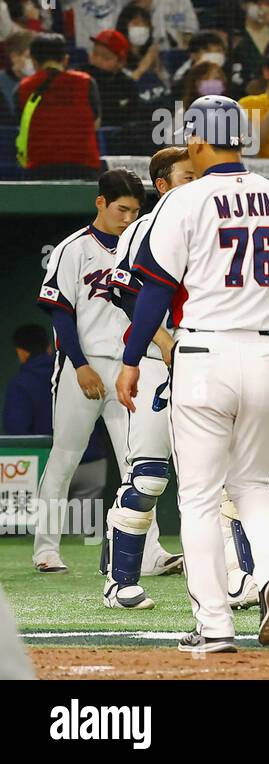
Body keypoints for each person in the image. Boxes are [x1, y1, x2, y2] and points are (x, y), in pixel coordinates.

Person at [115, 95, 269, 653]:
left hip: (204, 355)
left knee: (201, 498)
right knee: (254, 484)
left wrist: (133, 359)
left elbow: (155, 292)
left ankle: (214, 625)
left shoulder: (183, 202)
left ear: (200, 142)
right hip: (266, 356)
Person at [31, 169, 146, 573]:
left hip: (128, 367)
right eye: (121, 208)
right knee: (64, 457)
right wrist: (79, 366)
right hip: (84, 365)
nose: (128, 217)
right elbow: (61, 314)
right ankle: (46, 549)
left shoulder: (139, 248)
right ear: (100, 202)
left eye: (134, 210)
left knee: (138, 463)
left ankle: (145, 553)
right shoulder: (72, 249)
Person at [98, 148, 195, 610]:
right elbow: (124, 293)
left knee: (225, 481)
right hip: (159, 361)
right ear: (162, 184)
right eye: (186, 176)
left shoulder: (214, 226)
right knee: (150, 476)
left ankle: (240, 577)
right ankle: (120, 581)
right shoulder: (143, 228)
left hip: (207, 360)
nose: (197, 182)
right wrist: (160, 341)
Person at [17, 32, 101, 180]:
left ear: (34, 60)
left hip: (39, 171)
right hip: (84, 170)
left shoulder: (23, 88)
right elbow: (96, 123)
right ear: (65, 59)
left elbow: (23, 125)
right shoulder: (86, 82)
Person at [82, 29, 140, 129]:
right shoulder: (80, 78)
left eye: (106, 58)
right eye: (95, 54)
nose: (97, 60)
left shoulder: (127, 85)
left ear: (121, 62)